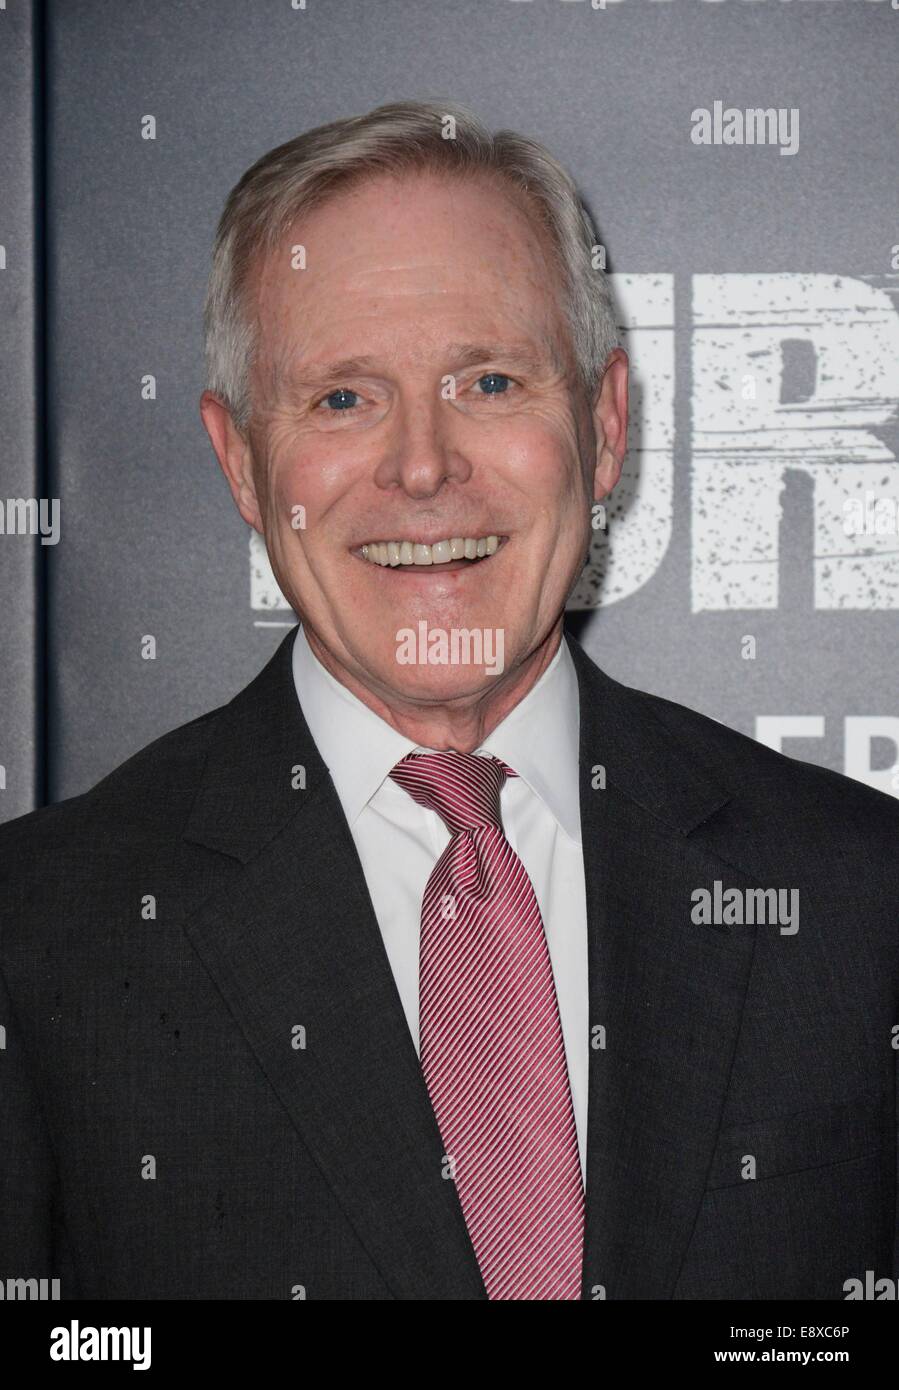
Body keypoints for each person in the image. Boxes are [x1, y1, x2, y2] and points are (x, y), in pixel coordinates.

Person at [1, 100, 895, 1301]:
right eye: (340, 398)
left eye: (487, 379)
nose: (422, 466)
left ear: (604, 424)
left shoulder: (859, 898)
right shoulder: (41, 933)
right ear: (239, 464)